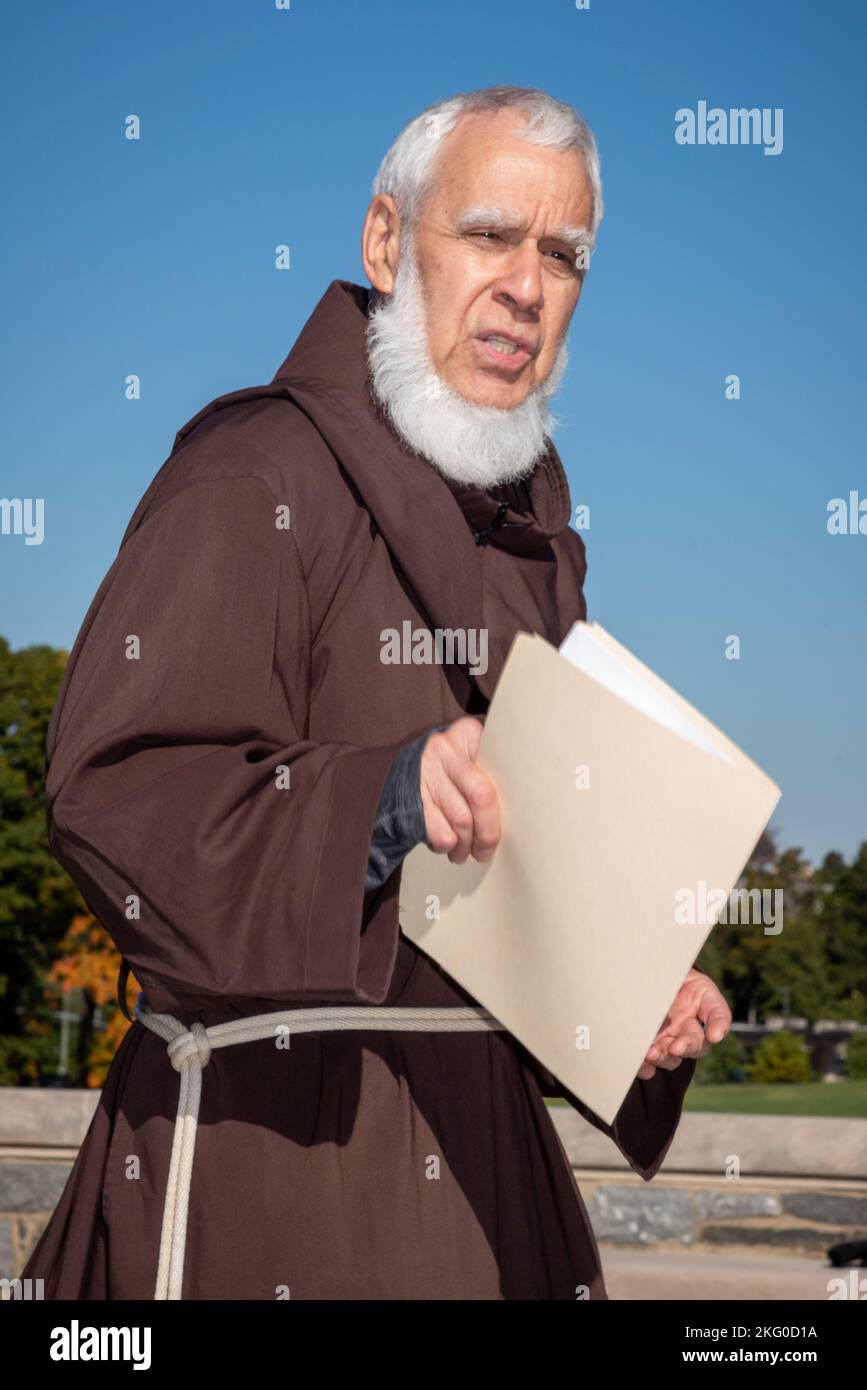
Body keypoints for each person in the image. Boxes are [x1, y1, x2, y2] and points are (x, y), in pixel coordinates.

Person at [24, 84, 731, 1301]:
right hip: (276, 1165)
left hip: (494, 1188)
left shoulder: (534, 545)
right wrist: (382, 798)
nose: (528, 284)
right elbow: (112, 793)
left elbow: (527, 902)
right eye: (491, 234)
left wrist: (631, 999)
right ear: (387, 243)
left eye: (564, 254)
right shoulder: (252, 470)